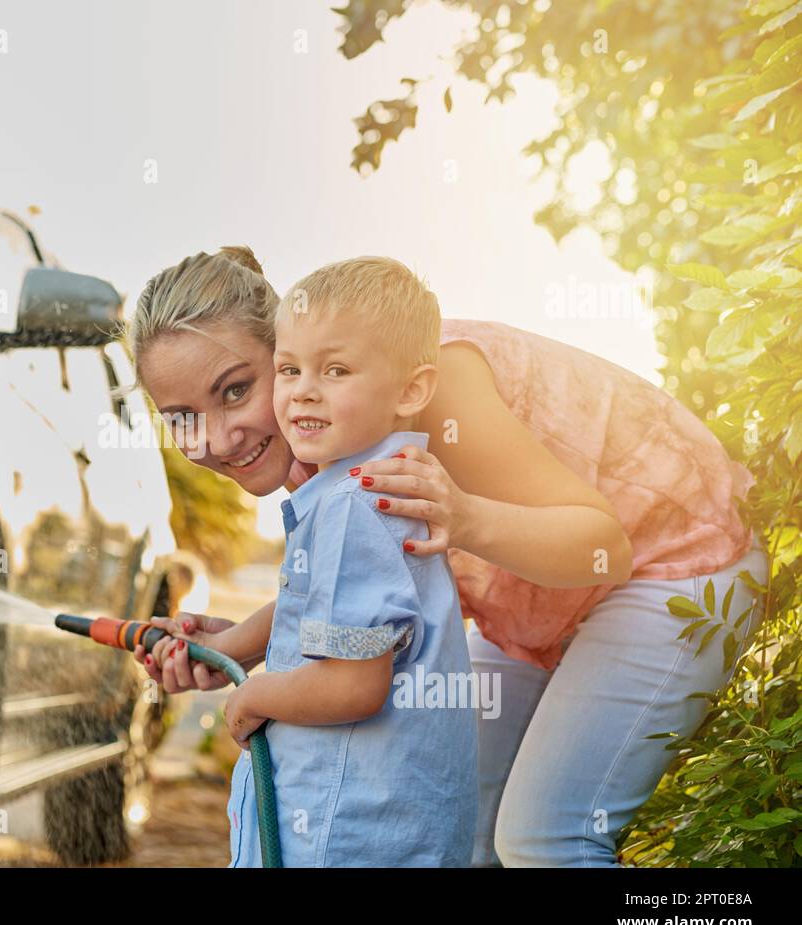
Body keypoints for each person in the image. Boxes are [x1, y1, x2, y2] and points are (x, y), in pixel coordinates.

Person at [128, 246, 767, 867]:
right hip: (539, 605)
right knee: (466, 825)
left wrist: (463, 516)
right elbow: (356, 588)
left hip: (676, 566)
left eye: (236, 390)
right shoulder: (321, 437)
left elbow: (605, 550)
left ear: (283, 348)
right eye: (182, 417)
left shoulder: (417, 392)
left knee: (545, 837)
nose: (216, 437)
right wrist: (235, 644)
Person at [176, 256, 477, 866]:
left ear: (411, 390)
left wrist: (254, 698)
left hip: (343, 838)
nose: (304, 390)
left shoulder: (354, 506)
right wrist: (233, 643)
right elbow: (324, 622)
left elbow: (351, 684)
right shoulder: (372, 492)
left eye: (335, 369)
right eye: (288, 370)